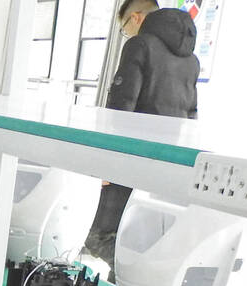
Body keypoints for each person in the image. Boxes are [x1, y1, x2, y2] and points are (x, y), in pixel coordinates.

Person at [82, 1, 199, 271]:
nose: (127, 34)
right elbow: (192, 114)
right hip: (169, 163)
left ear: (135, 18)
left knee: (99, 235)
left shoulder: (140, 46)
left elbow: (123, 106)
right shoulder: (191, 60)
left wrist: (107, 160)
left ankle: (132, 276)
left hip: (131, 158)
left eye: (124, 28)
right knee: (140, 234)